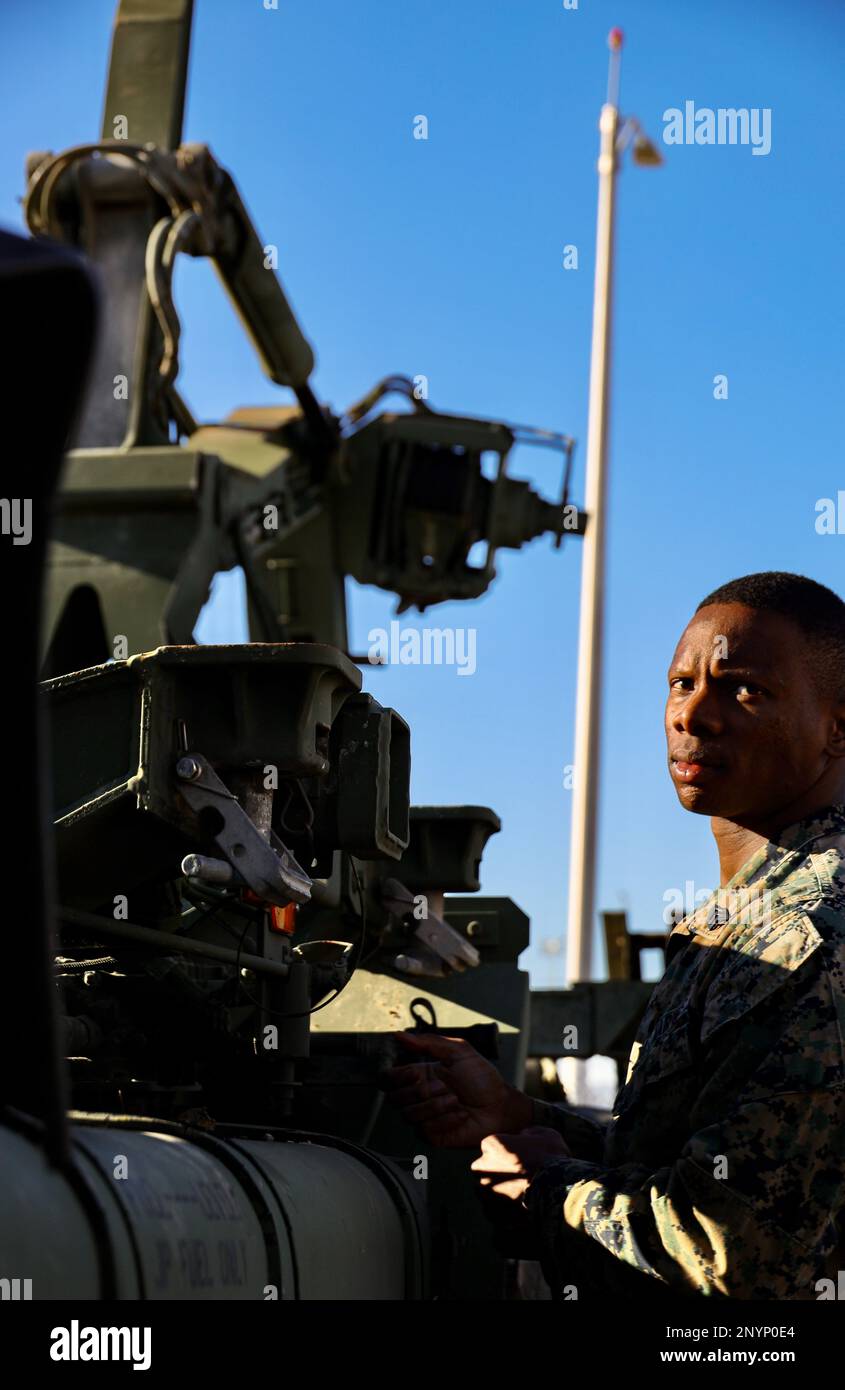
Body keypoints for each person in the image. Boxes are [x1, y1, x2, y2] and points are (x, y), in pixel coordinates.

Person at [383, 572, 845, 1299]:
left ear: (836, 726)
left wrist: (545, 1186)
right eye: (679, 684)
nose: (694, 714)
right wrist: (520, 1116)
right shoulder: (748, 916)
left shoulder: (799, 937)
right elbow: (718, 1165)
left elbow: (730, 1256)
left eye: (743, 689)